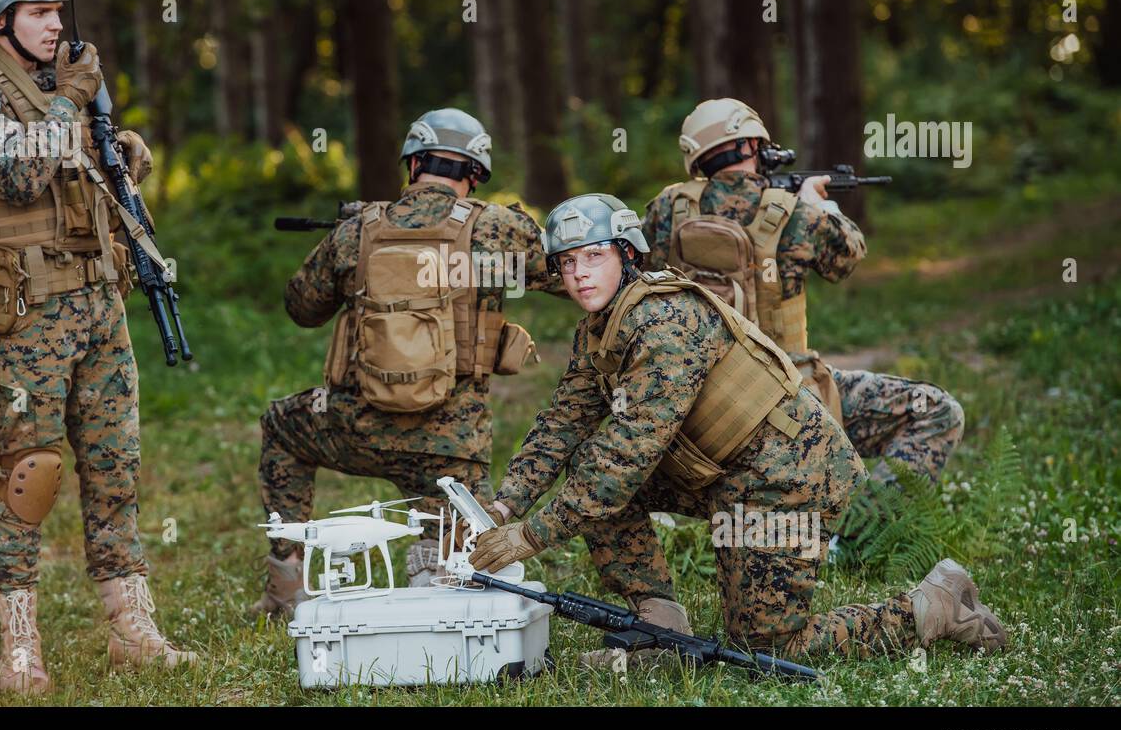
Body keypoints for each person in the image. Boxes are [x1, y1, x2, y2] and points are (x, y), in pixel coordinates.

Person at [471, 193, 1006, 664]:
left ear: (628, 255)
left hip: (786, 481)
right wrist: (505, 505)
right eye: (567, 262)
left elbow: (625, 457)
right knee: (590, 468)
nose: (579, 273)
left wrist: (531, 536)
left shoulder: (664, 323)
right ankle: (660, 631)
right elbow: (564, 420)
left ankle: (935, 607)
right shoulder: (602, 328)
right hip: (723, 473)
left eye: (595, 255)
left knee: (763, 648)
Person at [0, 0, 193, 695]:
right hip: (25, 316)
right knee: (28, 478)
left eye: (58, 12)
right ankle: (20, 645)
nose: (55, 25)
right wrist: (71, 101)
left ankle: (133, 628)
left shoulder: (53, 89)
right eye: (40, 13)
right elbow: (14, 173)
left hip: (100, 305)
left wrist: (116, 156)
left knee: (115, 473)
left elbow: (68, 179)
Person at [255, 108, 563, 615]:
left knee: (281, 425)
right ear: (474, 173)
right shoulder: (499, 230)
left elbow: (301, 308)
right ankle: (439, 561)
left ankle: (287, 583)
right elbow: (569, 276)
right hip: (453, 452)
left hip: (356, 428)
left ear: (414, 163)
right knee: (471, 572)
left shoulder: (357, 232)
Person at [642, 98, 965, 487]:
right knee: (937, 411)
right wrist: (822, 206)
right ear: (754, 146)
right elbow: (848, 256)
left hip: (696, 413)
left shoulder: (667, 209)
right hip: (790, 404)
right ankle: (863, 533)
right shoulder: (795, 212)